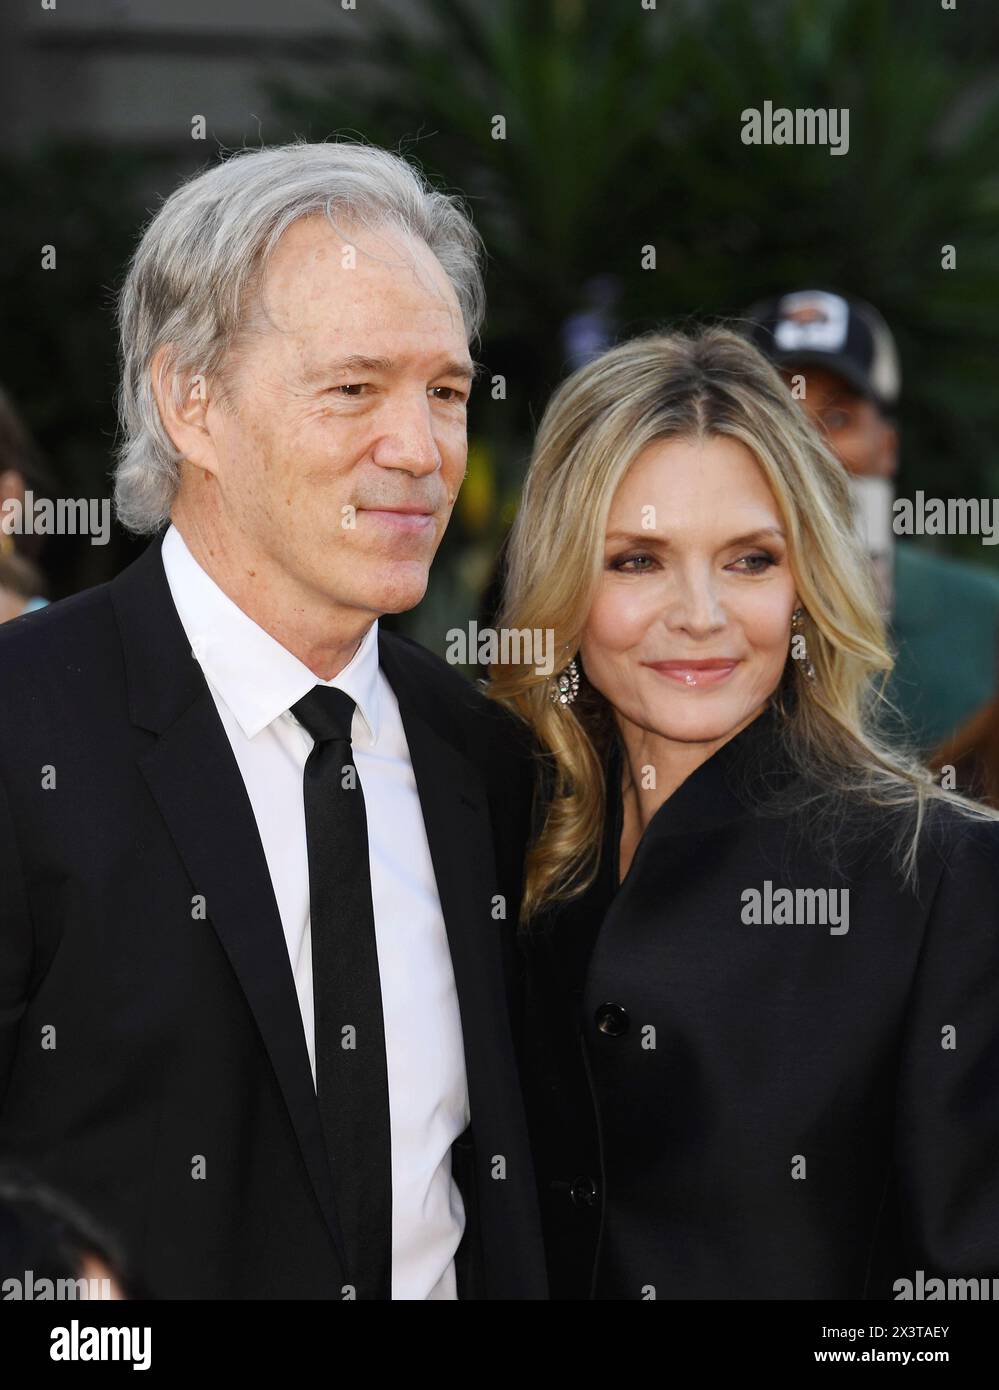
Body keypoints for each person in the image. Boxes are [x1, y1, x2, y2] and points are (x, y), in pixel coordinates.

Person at [0, 140, 546, 1300]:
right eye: (354, 387)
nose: (421, 450)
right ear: (190, 403)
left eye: (445, 392)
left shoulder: (485, 759)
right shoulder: (23, 731)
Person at [487, 326, 999, 1299]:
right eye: (637, 559)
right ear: (563, 578)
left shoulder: (944, 879)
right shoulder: (504, 850)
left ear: (806, 583)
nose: (700, 614)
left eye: (750, 560)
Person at [745, 289, 999, 754]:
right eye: (778, 419)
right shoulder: (702, 624)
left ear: (888, 445)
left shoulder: (984, 618)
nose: (808, 448)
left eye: (838, 417)